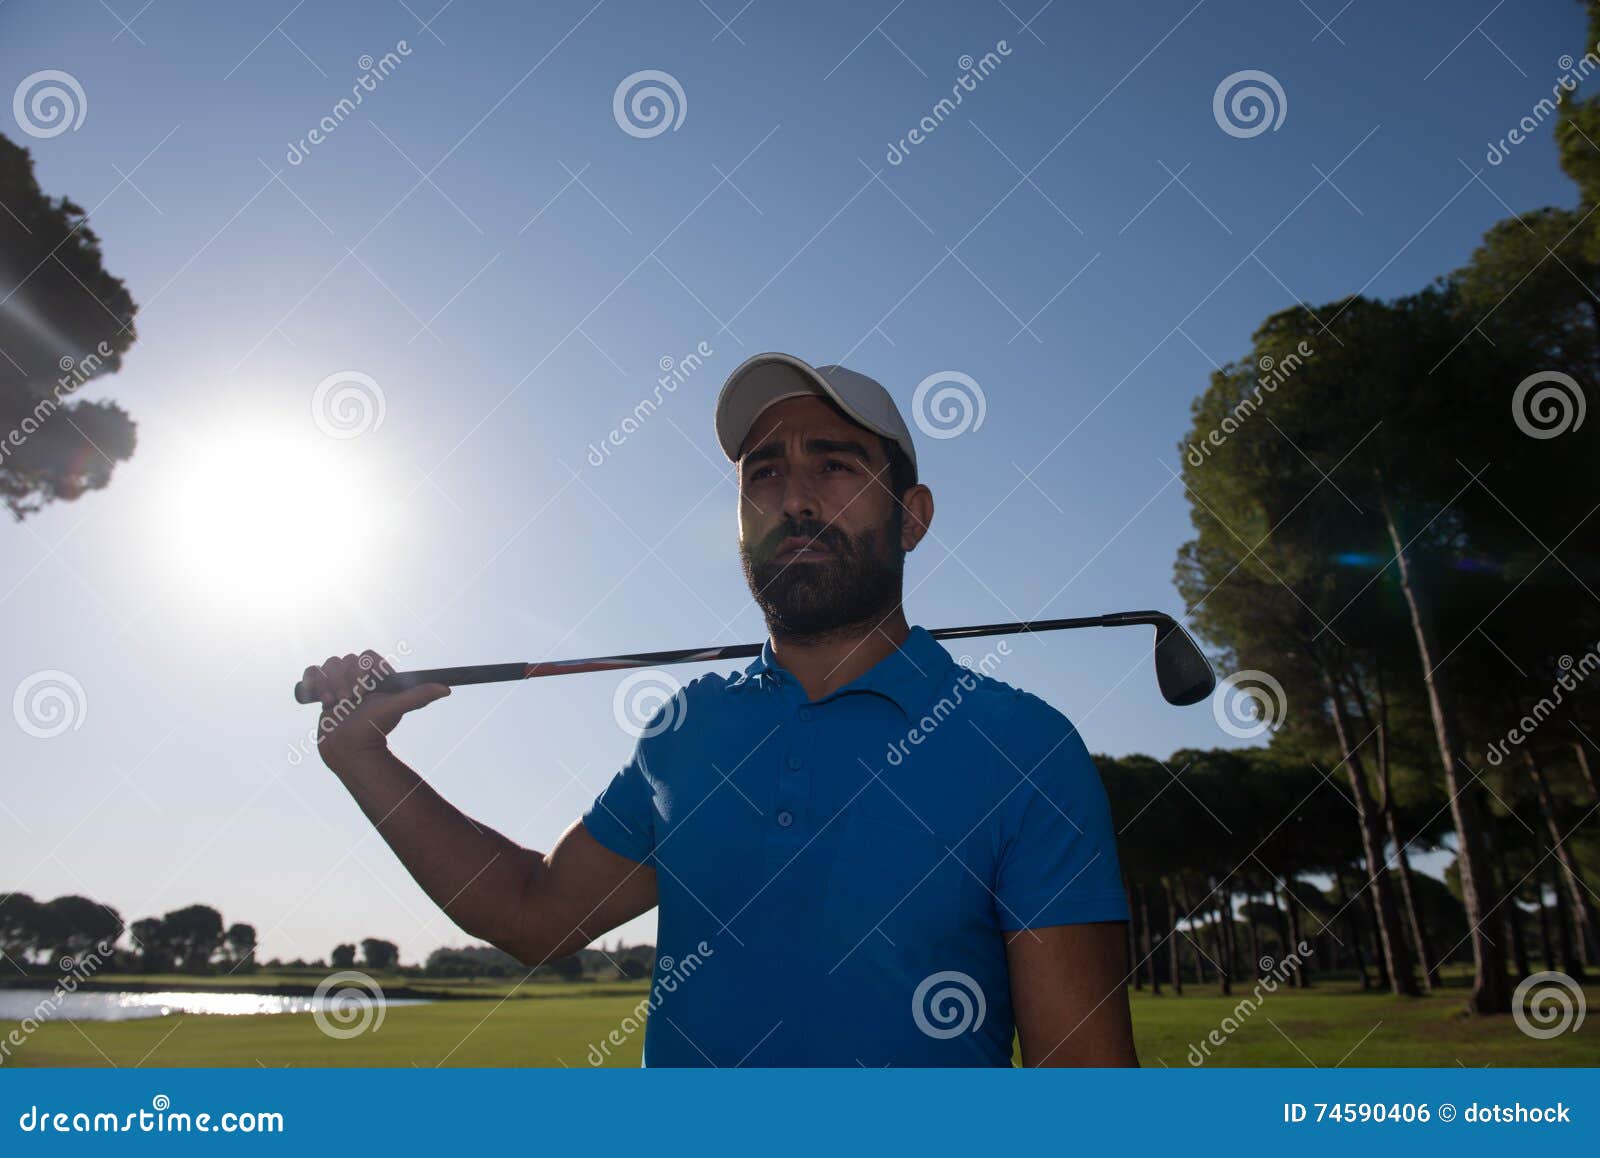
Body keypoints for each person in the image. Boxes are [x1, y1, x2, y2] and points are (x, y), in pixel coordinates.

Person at [303, 351, 1137, 1066]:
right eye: (764, 472)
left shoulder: (1022, 744)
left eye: (836, 465)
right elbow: (534, 913)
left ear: (912, 517)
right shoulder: (688, 731)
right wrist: (364, 759)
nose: (796, 498)